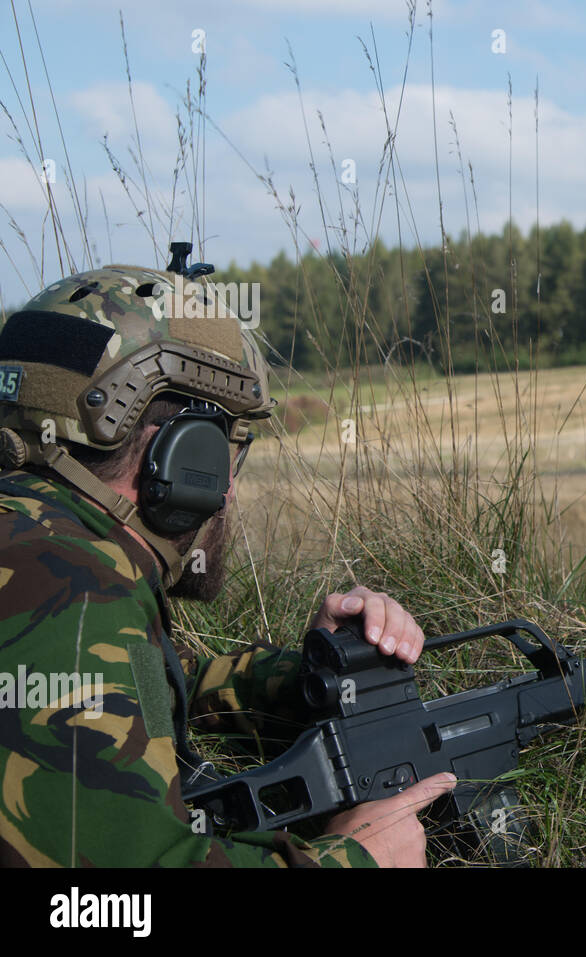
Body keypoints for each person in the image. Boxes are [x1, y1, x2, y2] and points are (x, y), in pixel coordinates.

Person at [0, 245, 455, 866]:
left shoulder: (37, 548)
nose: (230, 489)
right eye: (229, 451)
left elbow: (143, 683)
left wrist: (309, 680)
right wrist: (357, 860)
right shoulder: (76, 585)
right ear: (185, 460)